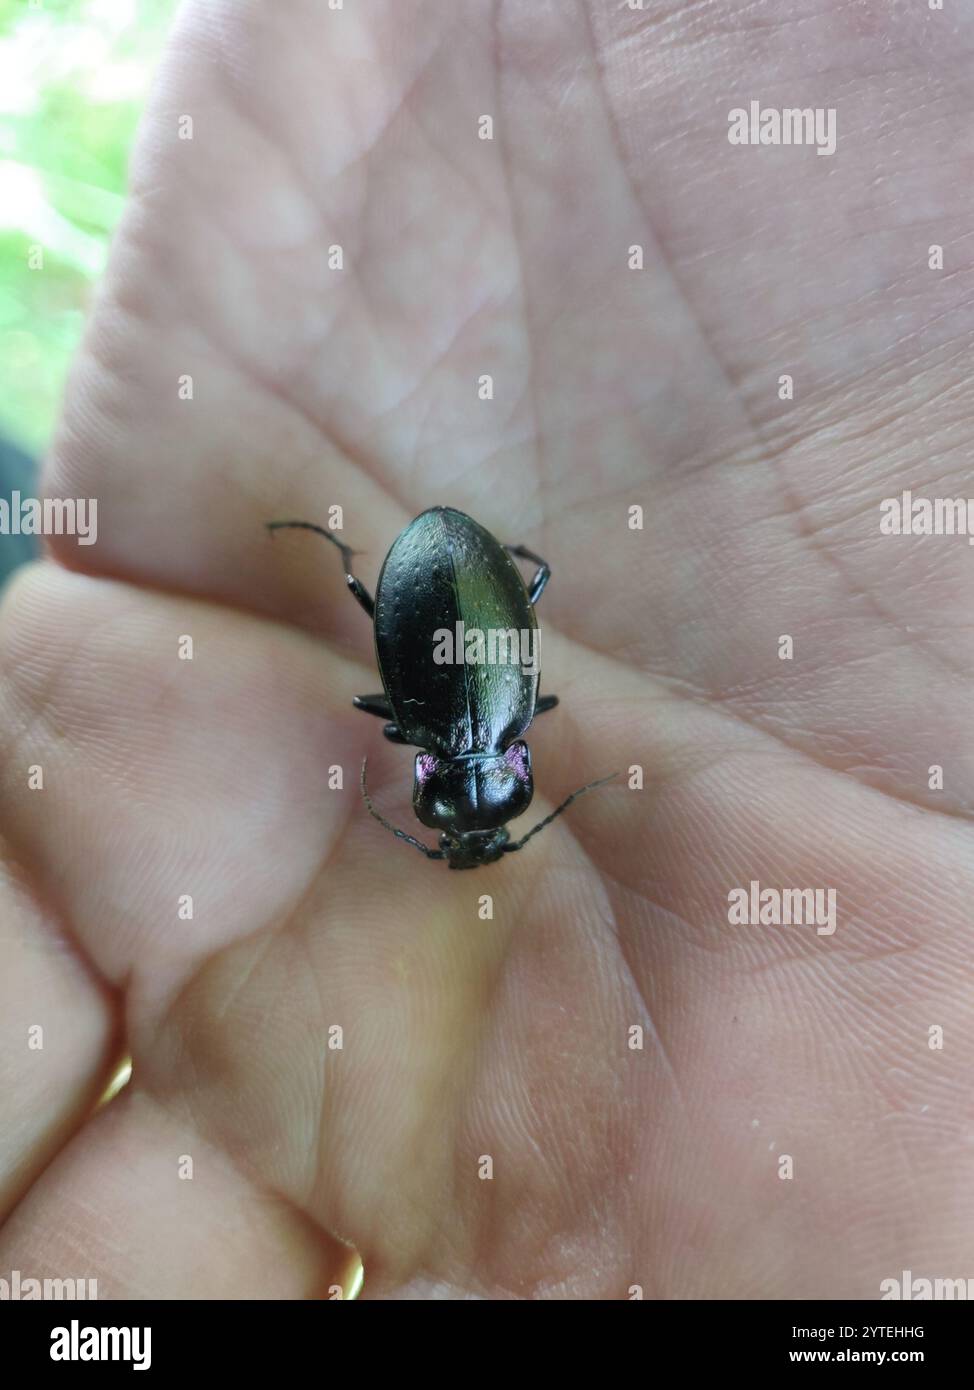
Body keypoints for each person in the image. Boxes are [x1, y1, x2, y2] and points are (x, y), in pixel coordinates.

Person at [0, 0, 970, 1299]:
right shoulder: (450, 732)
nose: (462, 819)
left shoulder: (499, 721)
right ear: (493, 776)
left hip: (446, 584)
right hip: (438, 584)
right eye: (479, 816)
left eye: (460, 817)